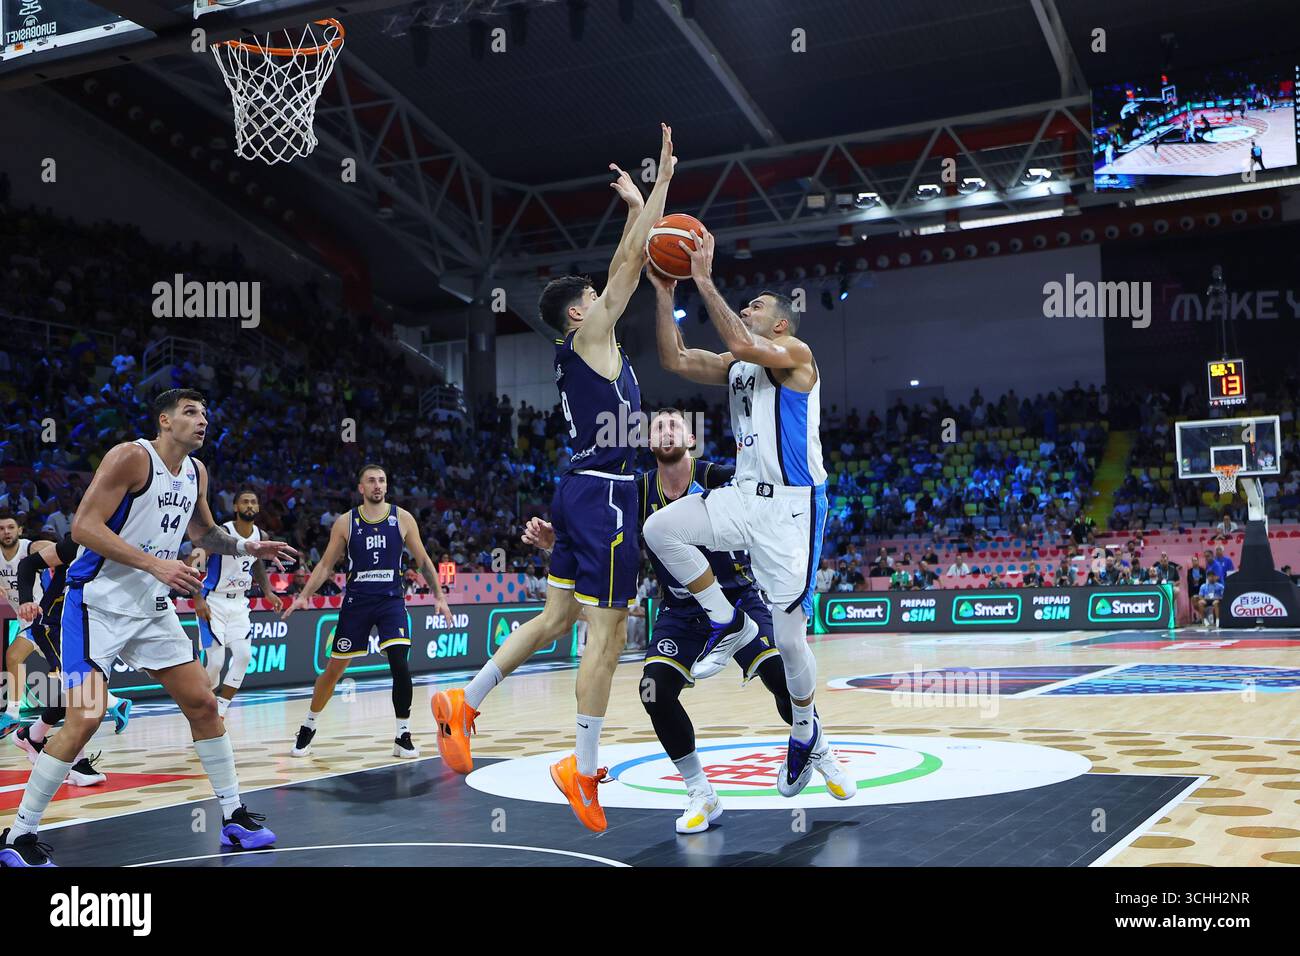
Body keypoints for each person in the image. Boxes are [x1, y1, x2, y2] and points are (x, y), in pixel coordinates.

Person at [432, 124, 678, 833]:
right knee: (605, 632)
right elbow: (631, 265)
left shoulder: (592, 352)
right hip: (603, 492)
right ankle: (582, 765)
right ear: (579, 311)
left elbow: (627, 262)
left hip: (582, 488)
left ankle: (465, 701)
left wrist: (635, 208)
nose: (607, 295)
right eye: (595, 294)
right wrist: (657, 189)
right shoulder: (590, 338)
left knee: (557, 617)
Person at [517, 408, 851, 833]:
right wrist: (556, 545)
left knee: (778, 674)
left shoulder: (717, 477)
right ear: (647, 442)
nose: (666, 430)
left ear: (691, 439)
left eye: (675, 424)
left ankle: (816, 747)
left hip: (738, 599)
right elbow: (599, 553)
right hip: (680, 611)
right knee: (654, 691)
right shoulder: (635, 495)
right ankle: (701, 794)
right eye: (657, 426)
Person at [0, 388, 296, 867]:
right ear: (164, 420)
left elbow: (203, 533)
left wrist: (247, 550)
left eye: (206, 412)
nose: (202, 420)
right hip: (96, 606)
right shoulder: (131, 458)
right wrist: (157, 566)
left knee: (203, 702)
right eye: (191, 412)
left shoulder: (196, 472)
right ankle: (19, 837)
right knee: (86, 718)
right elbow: (83, 528)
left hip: (151, 609)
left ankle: (233, 817)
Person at [641, 224, 852, 800]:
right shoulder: (739, 365)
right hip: (741, 494)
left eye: (755, 305)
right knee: (661, 528)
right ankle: (727, 622)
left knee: (789, 640)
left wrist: (703, 279)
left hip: (791, 509)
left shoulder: (796, 357)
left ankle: (806, 733)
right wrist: (664, 291)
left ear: (780, 323)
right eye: (745, 303)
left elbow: (741, 345)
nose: (746, 308)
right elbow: (674, 357)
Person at [284, 464, 452, 759]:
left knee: (400, 663)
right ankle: (308, 725)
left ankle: (403, 734)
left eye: (382, 480)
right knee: (334, 670)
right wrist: (304, 596)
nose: (378, 485)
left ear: (387, 486)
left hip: (391, 601)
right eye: (372, 481)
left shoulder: (402, 518)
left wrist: (439, 595)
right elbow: (325, 565)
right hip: (357, 602)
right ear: (361, 488)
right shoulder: (346, 522)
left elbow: (424, 560)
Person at [192, 488, 284, 719]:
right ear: (235, 507)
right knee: (215, 662)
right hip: (213, 601)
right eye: (244, 502)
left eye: (253, 502)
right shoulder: (222, 532)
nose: (249, 505)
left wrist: (268, 591)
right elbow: (195, 562)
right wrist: (197, 597)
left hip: (240, 603)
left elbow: (256, 564)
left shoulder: (260, 536)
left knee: (243, 656)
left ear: (259, 507)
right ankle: (202, 705)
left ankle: (220, 710)